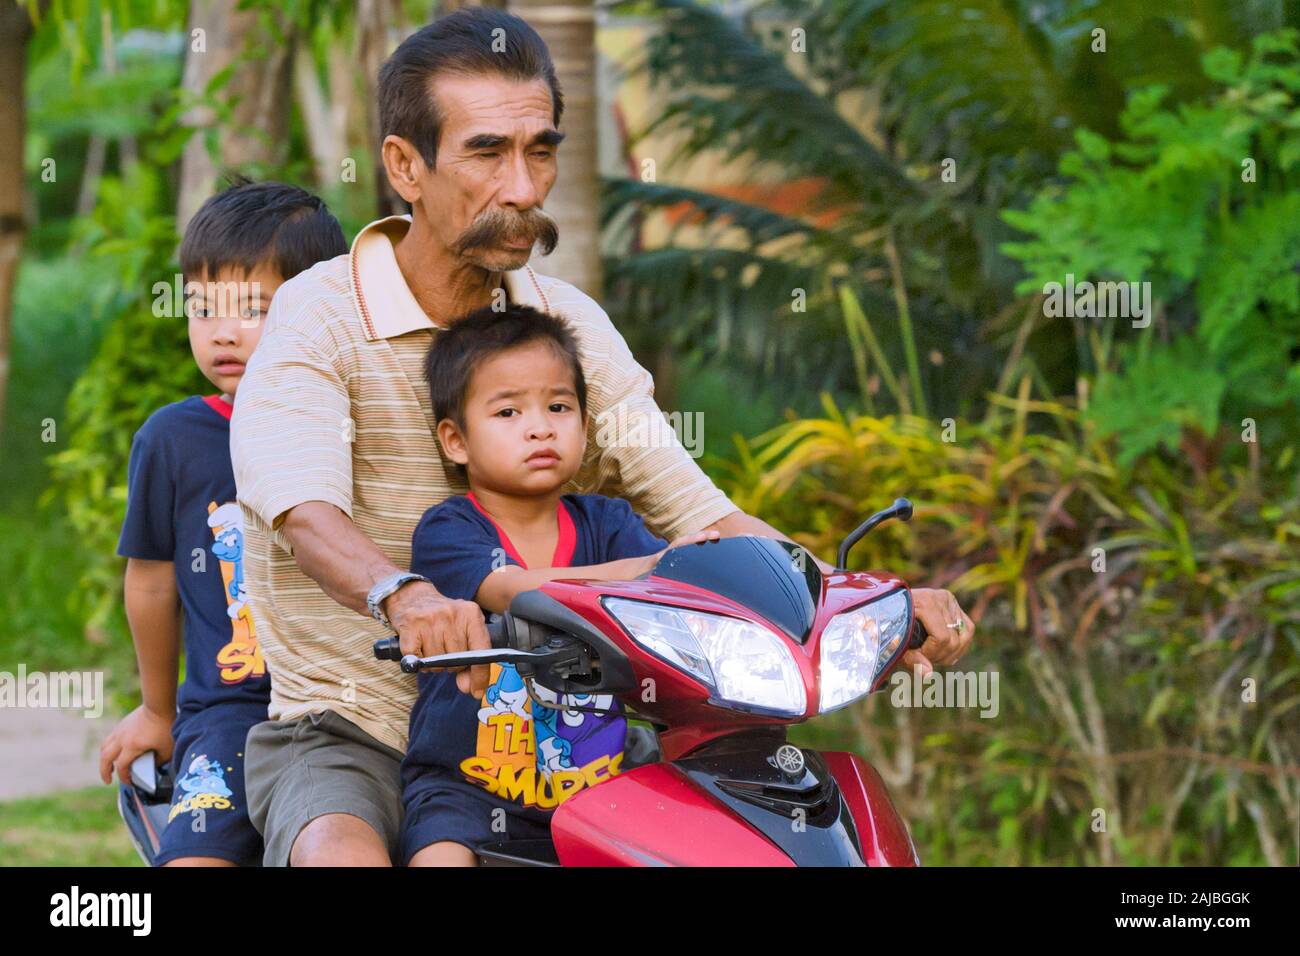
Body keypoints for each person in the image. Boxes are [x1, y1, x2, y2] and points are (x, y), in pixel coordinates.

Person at [229, 6, 976, 867]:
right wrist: (407, 597)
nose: (522, 186)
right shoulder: (318, 314)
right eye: (485, 152)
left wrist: (853, 604)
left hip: (565, 738)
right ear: (404, 165)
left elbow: (700, 514)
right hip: (352, 724)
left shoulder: (564, 326)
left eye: (539, 150)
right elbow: (302, 508)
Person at [399, 304, 718, 866]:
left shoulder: (607, 524)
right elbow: (511, 588)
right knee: (439, 857)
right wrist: (648, 567)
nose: (540, 426)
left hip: (599, 785)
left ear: (584, 425)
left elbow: (672, 589)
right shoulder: (449, 530)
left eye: (558, 406)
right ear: (455, 441)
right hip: (466, 784)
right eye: (507, 412)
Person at [98, 180, 347, 866]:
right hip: (228, 714)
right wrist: (158, 711)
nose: (221, 330)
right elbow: (151, 583)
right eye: (202, 308)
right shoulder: (172, 440)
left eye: (251, 309)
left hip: (346, 709)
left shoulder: (355, 428)